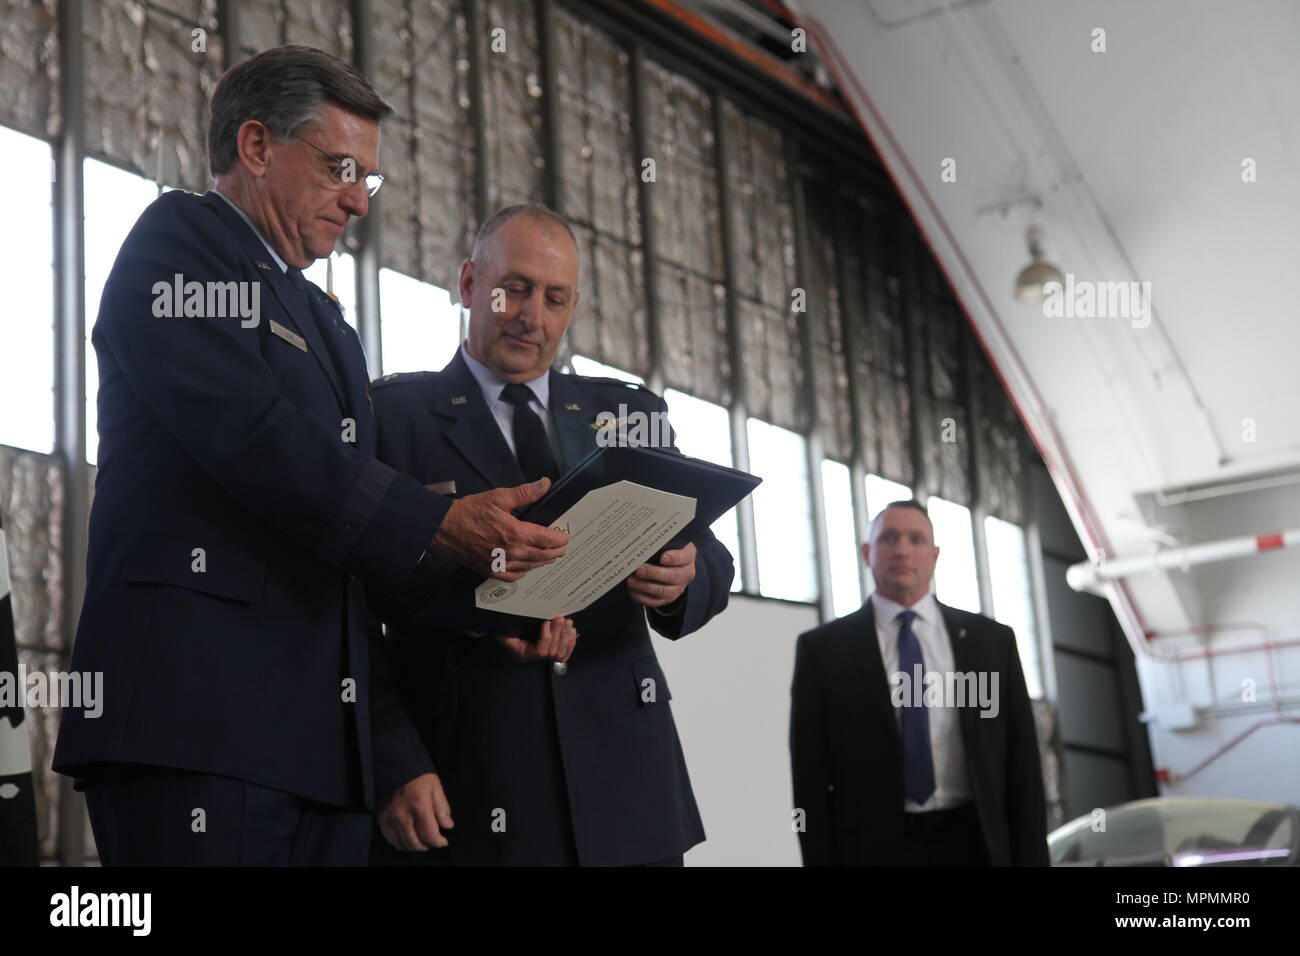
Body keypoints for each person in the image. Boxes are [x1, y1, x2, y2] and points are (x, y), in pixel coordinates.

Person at [51, 46, 567, 866]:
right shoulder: (176, 246)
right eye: (339, 168)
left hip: (323, 751)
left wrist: (496, 601)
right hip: (202, 724)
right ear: (256, 147)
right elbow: (256, 438)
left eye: (370, 178)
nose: (358, 201)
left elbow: (352, 534)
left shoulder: (325, 320)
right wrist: (439, 522)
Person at [367, 203, 735, 866]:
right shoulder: (391, 418)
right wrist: (390, 760)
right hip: (471, 783)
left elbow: (709, 556)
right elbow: (348, 610)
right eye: (515, 288)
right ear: (469, 283)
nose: (531, 315)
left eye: (555, 298)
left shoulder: (628, 413)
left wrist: (684, 574)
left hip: (626, 780)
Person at [789, 500, 1048, 866]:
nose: (902, 550)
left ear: (935, 555)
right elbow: (810, 778)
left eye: (916, 539)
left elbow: (1022, 768)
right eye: (889, 539)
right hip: (873, 849)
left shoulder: (990, 642)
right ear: (867, 553)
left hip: (977, 842)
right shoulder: (823, 650)